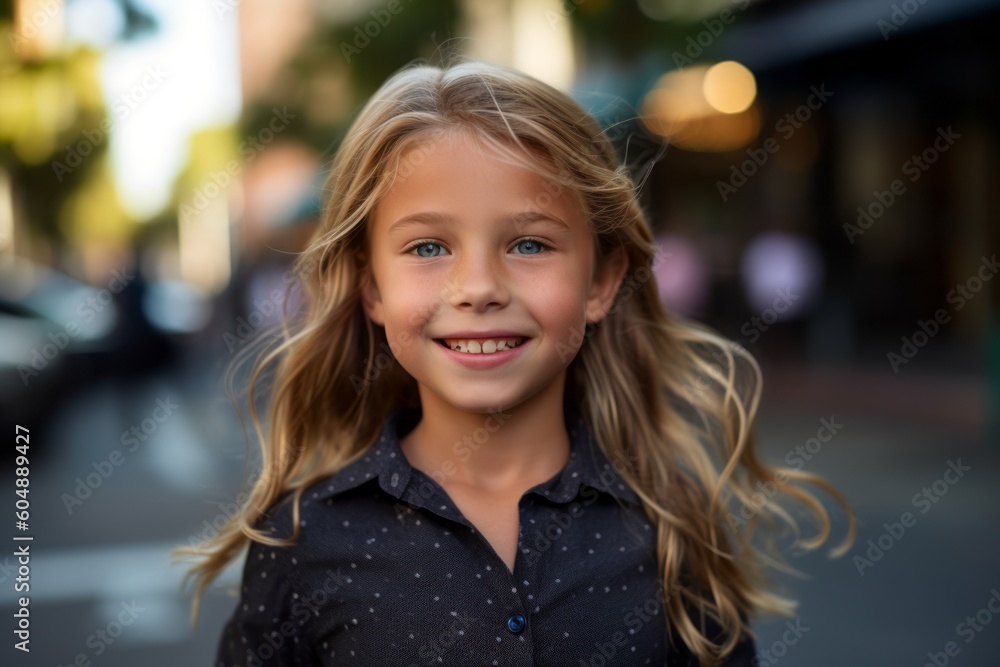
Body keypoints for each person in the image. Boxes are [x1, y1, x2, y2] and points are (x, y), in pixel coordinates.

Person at [181, 59, 854, 666]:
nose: (478, 288)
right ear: (371, 287)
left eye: (529, 244)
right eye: (427, 248)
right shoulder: (302, 541)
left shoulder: (673, 525)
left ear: (601, 281)